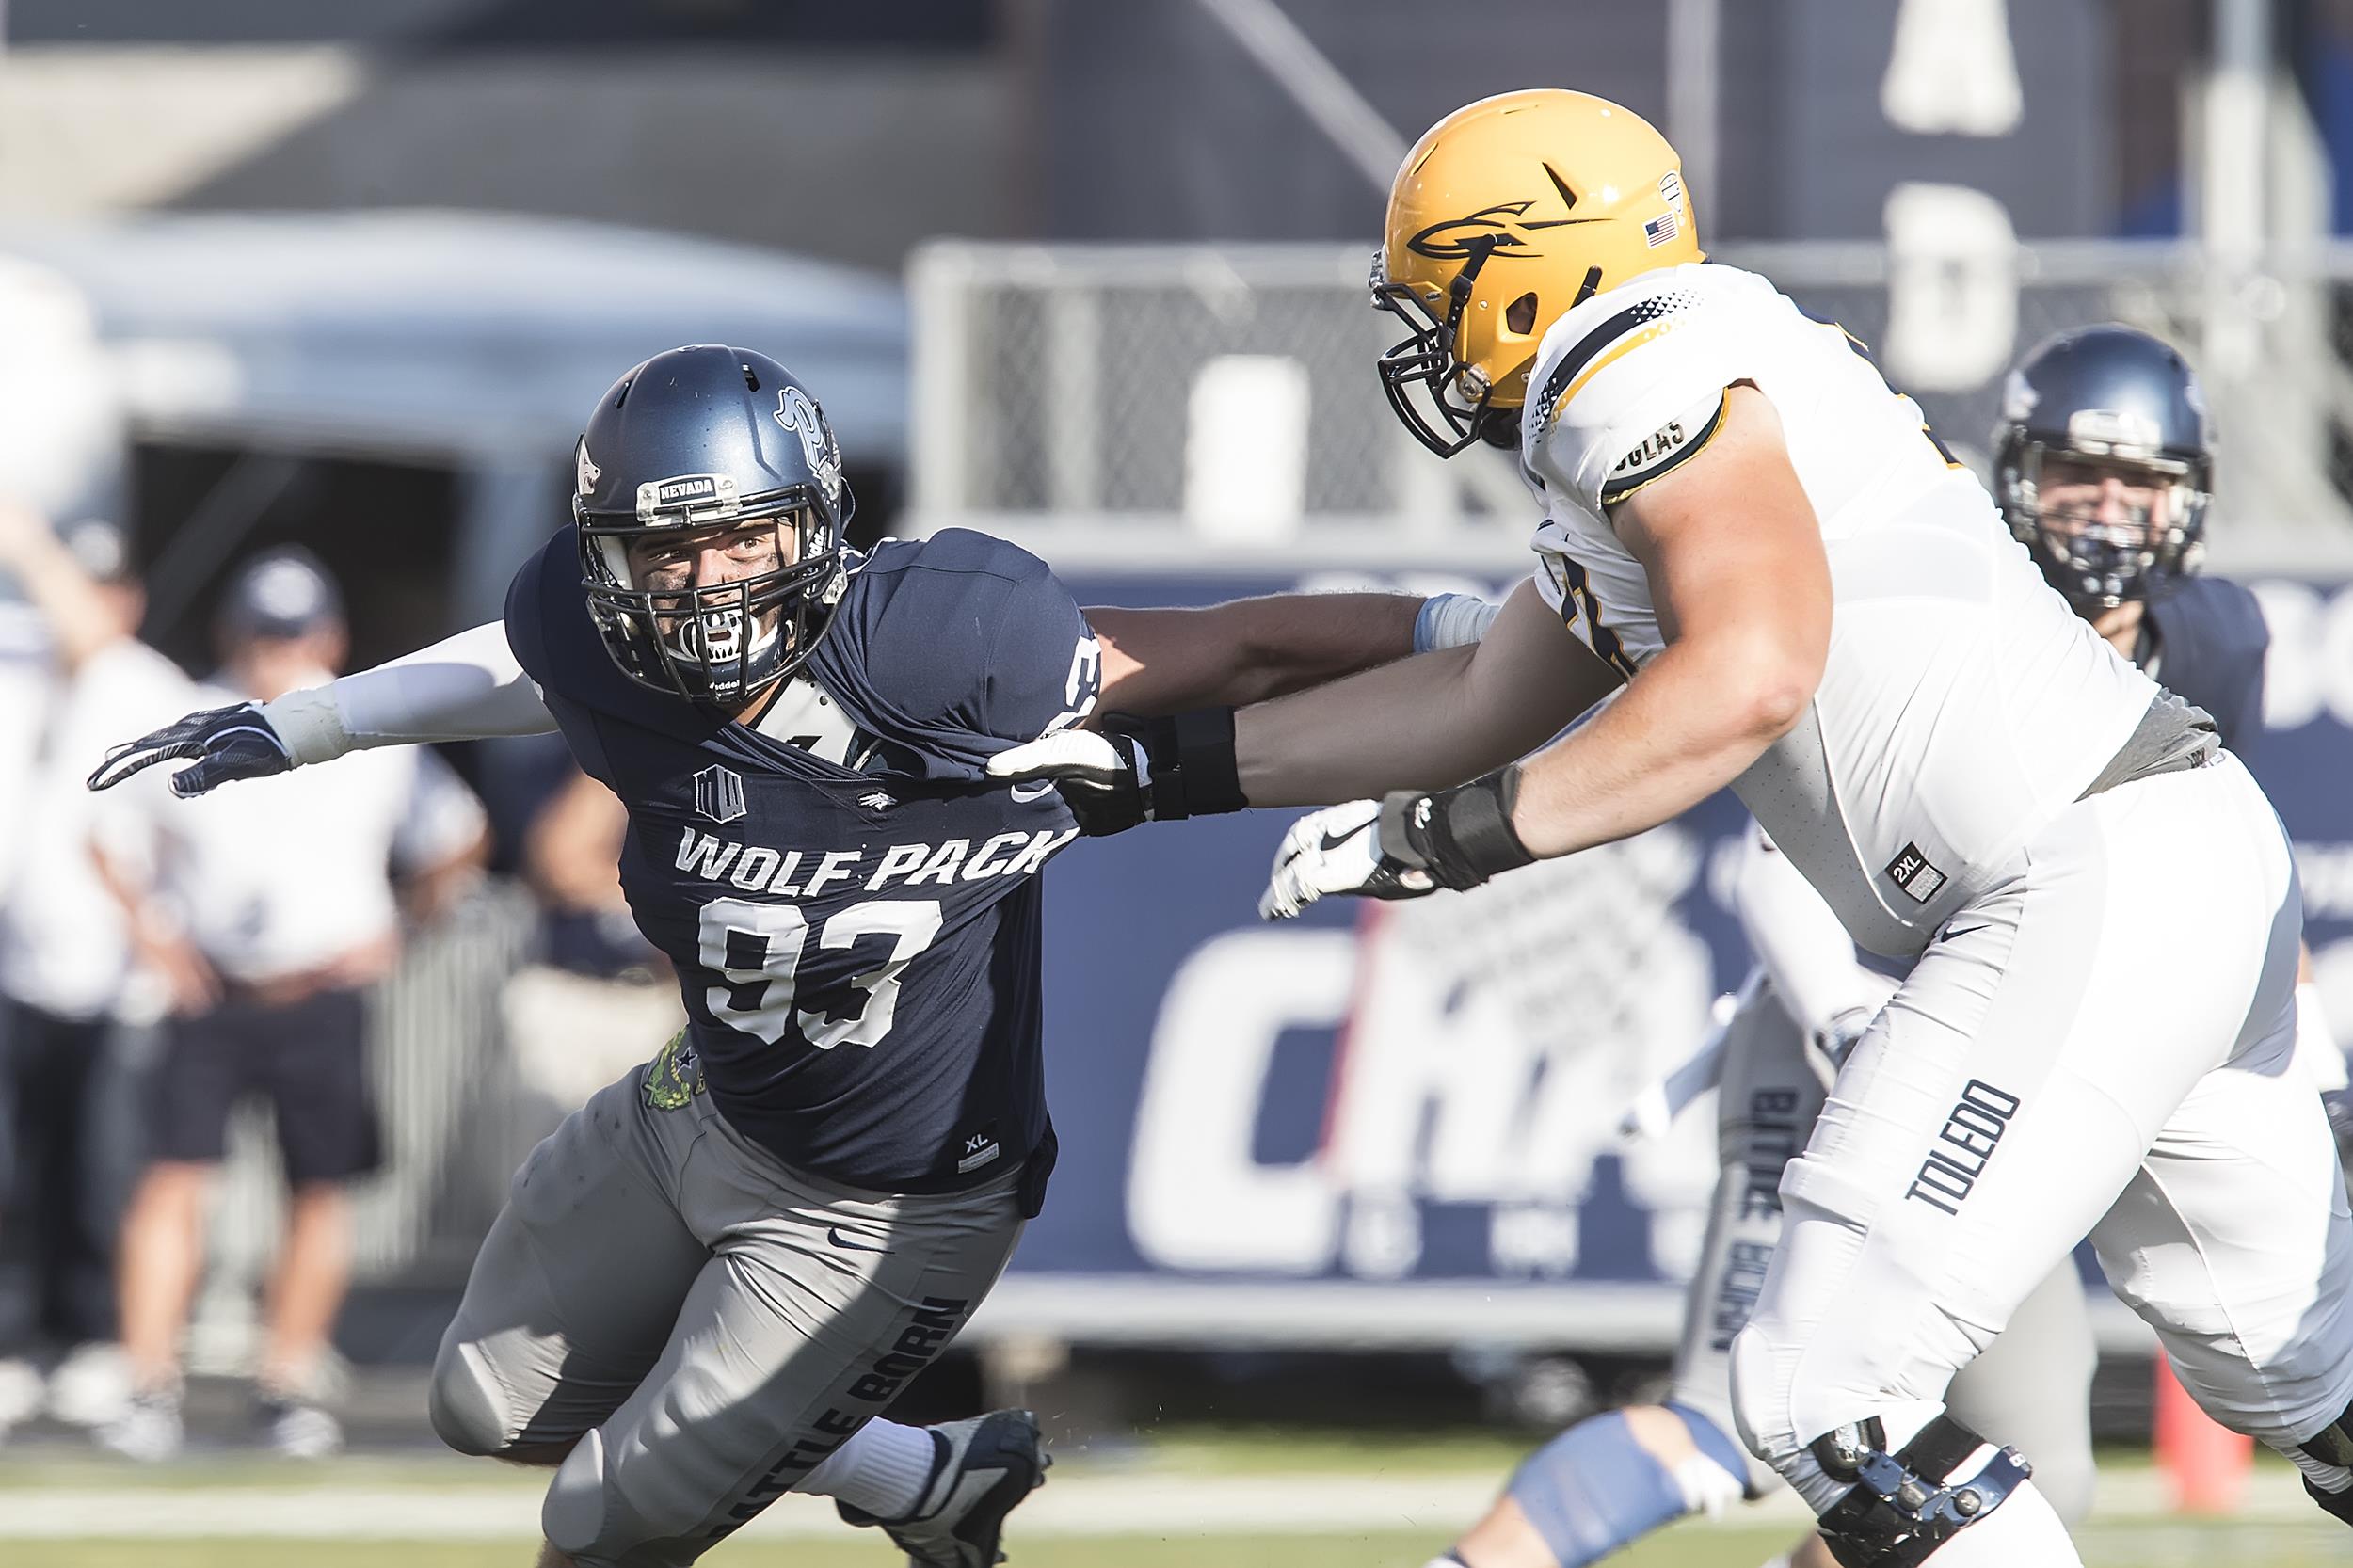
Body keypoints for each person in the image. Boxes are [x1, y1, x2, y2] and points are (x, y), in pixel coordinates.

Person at [988, 92, 2353, 1566]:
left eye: (1442, 294)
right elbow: (1473, 688)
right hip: (2177, 854)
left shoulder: (1629, 362)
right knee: (2300, 1366)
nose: (1430, 339)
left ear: (1526, 267)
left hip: (2075, 876)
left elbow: (1752, 672)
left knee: (1825, 1388)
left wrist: (1463, 835)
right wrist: (1162, 774)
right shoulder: (1693, 381)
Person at [88, 344, 1445, 1567]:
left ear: (812, 525)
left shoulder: (946, 643)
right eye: (661, 554)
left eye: (739, 539)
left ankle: (875, 1454)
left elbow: (1244, 653)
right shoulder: (596, 642)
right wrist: (318, 719)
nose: (701, 583)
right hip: (701, 1111)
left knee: (600, 1525)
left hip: (889, 1202)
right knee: (481, 1405)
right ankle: (927, 1476)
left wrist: (1479, 634)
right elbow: (527, 659)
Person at [1390, 323, 2337, 1568]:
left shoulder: (2215, 641)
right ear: (2013, 479)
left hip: (2039, 1050)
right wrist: (1853, 1029)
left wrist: (2309, 1079)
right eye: (2077, 476)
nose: (2108, 511)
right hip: (1854, 1019)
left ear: (2192, 495)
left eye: (2142, 482)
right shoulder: (1943, 574)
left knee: (2010, 1460)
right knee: (1739, 1416)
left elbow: (2214, 879)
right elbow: (1786, 848)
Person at [91, 547, 488, 1461]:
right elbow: (110, 837)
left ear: (329, 636)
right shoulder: (189, 716)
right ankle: (147, 1380)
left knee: (318, 1186)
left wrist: (401, 924)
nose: (277, 654)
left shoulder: (371, 729)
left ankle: (287, 1377)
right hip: (216, 984)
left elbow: (456, 837)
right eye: (263, 635)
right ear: (234, 634)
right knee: (173, 1180)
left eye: (294, 635)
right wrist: (157, 938)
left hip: (318, 986)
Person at [0, 507, 191, 1441]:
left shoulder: (143, 684)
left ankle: (98, 1339)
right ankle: (27, 1339)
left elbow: (86, 632)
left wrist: (24, 536)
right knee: (24, 1160)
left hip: (119, 972)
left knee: (103, 1165)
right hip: (20, 962)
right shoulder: (22, 664)